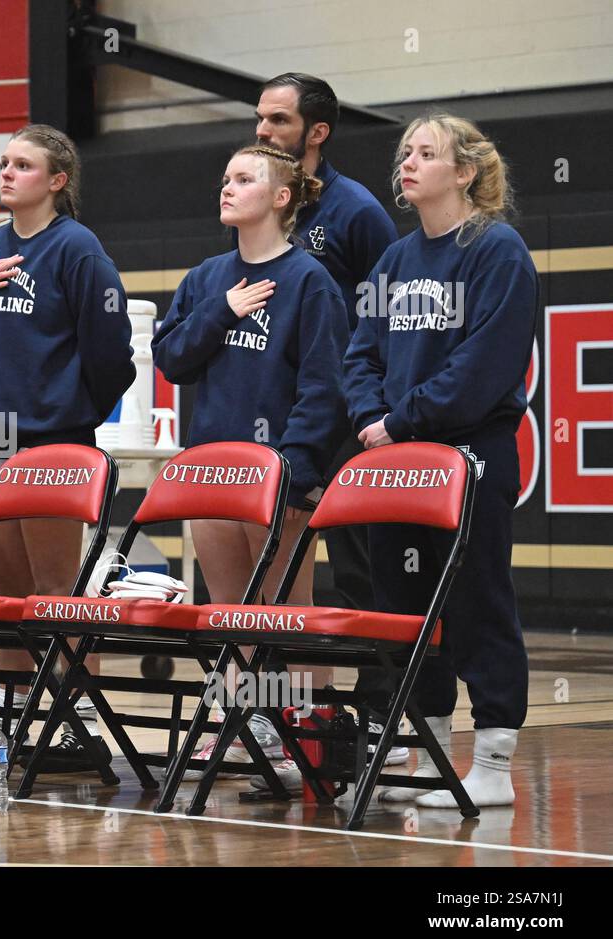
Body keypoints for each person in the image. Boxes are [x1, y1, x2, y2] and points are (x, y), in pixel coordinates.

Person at [344, 112, 536, 808]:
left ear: (465, 172)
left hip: (467, 453)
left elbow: (483, 368)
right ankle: (428, 748)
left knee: (477, 596)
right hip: (397, 459)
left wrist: (401, 419)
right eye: (405, 153)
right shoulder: (394, 260)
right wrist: (369, 415)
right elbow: (360, 352)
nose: (409, 163)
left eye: (427, 153)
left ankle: (493, 761)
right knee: (403, 602)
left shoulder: (498, 249)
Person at [0, 124, 134, 771]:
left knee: (57, 590)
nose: (7, 173)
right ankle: (15, 719)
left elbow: (111, 355)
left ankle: (78, 722)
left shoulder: (77, 249)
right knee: (10, 595)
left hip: (52, 445)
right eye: (6, 164)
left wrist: (71, 415)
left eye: (23, 165)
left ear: (56, 180)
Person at [153, 144, 350, 784]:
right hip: (212, 473)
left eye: (245, 178)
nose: (228, 187)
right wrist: (222, 312)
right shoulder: (209, 277)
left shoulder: (309, 282)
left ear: (282, 196)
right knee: (234, 612)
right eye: (226, 177)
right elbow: (171, 358)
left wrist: (295, 469)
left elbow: (324, 386)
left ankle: (308, 732)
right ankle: (250, 726)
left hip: (277, 479)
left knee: (287, 612)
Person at [253, 73, 404, 762]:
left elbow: (390, 321)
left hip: (346, 418)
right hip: (275, 418)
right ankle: (276, 719)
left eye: (279, 120)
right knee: (272, 578)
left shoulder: (356, 212)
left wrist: (375, 413)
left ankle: (381, 715)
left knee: (360, 572)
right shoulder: (262, 207)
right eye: (260, 118)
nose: (263, 131)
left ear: (317, 132)